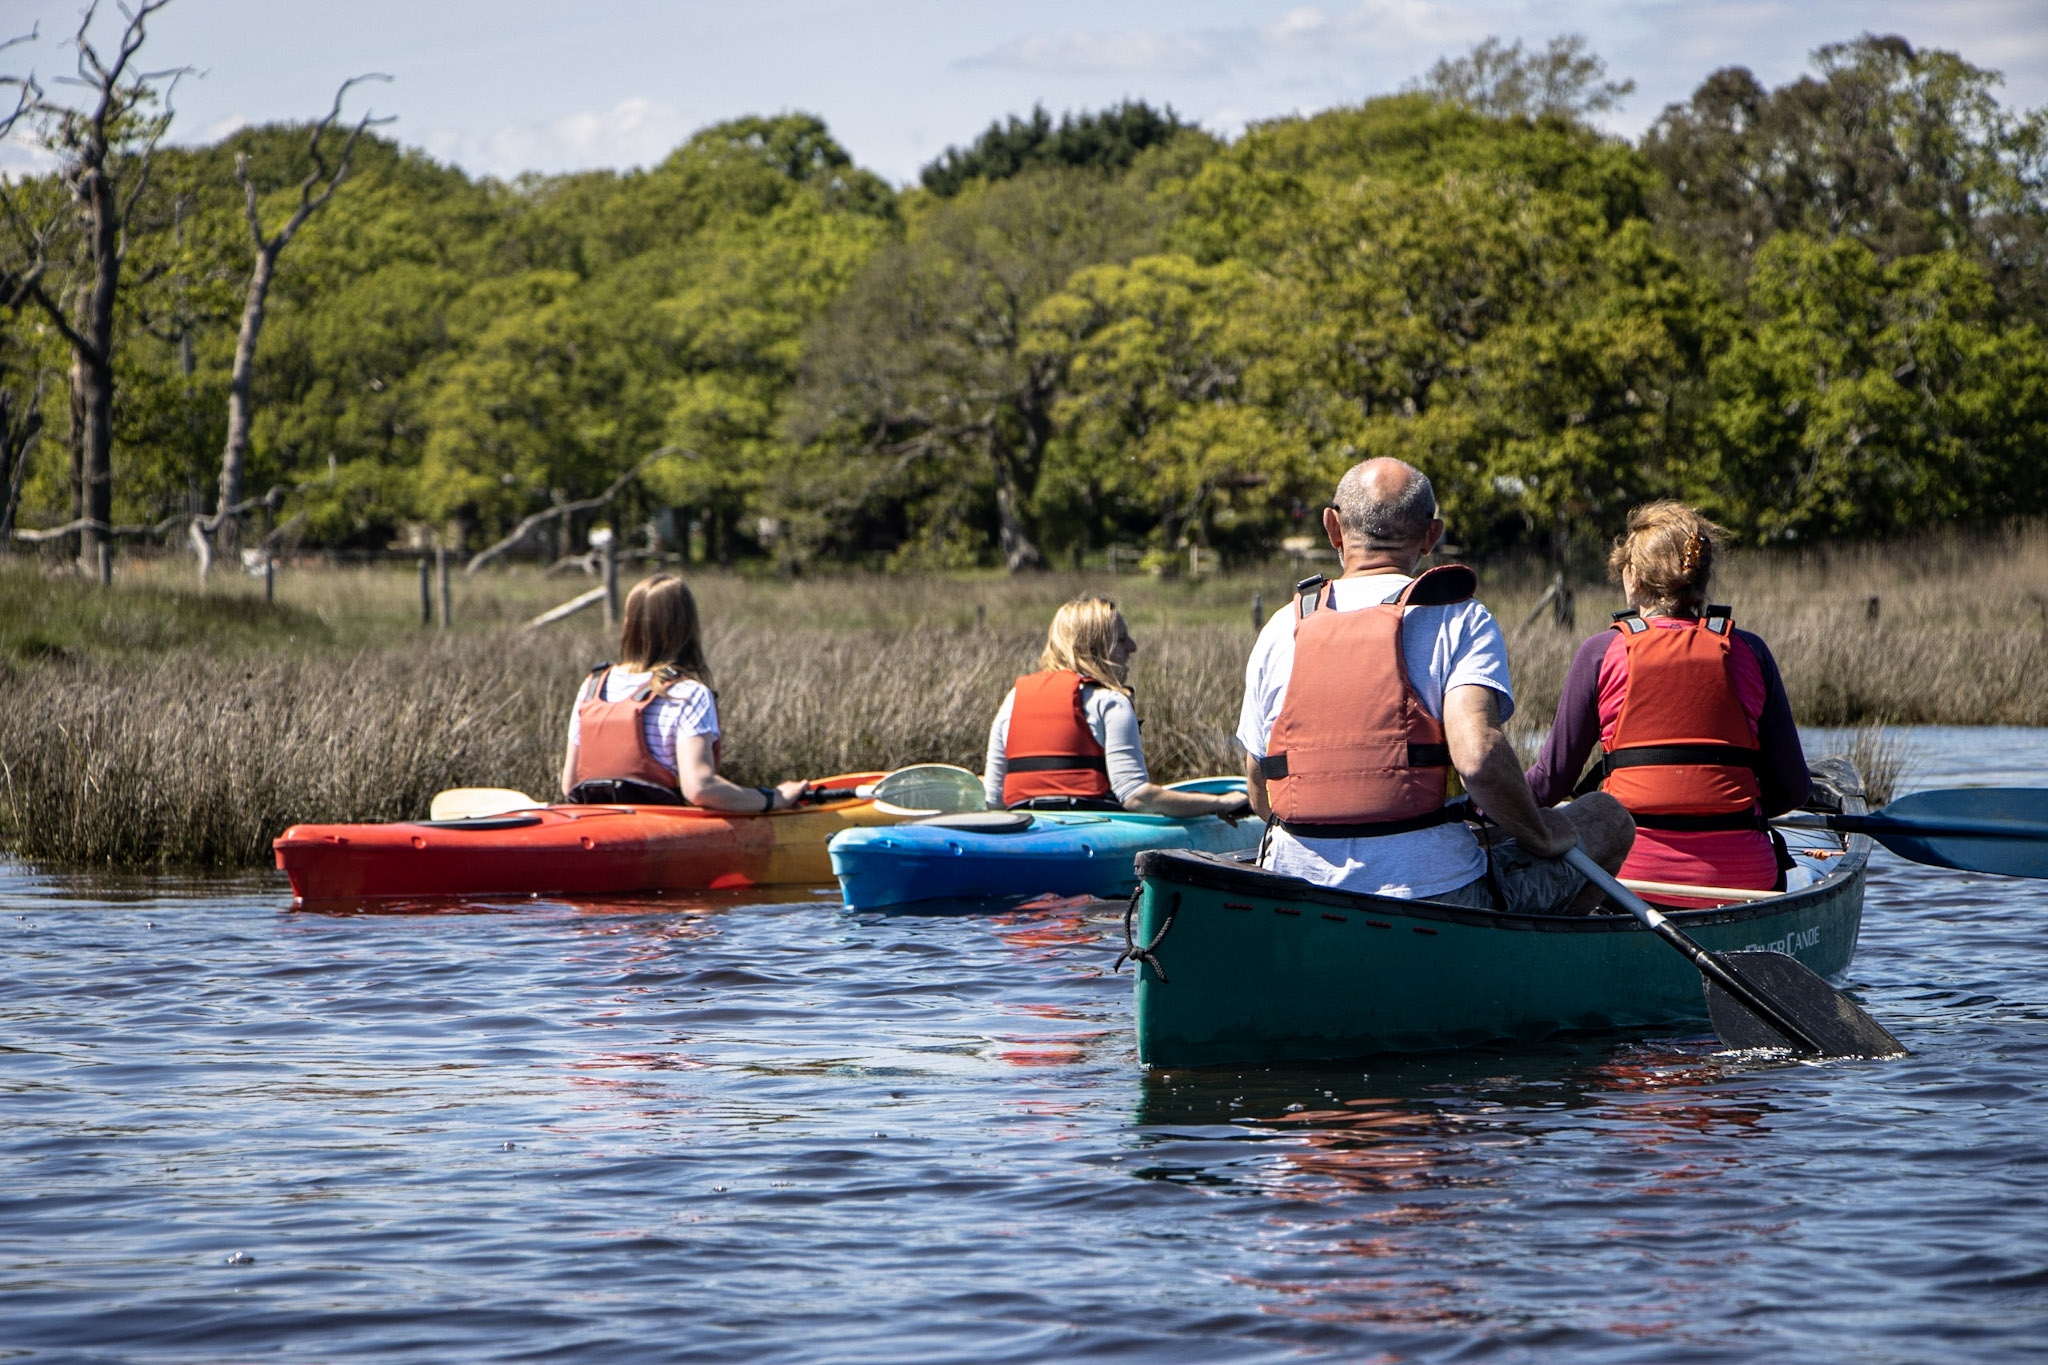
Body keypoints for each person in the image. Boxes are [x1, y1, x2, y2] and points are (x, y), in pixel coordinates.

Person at [1238, 458, 1633, 911]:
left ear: (1333, 528)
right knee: (1606, 817)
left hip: (1298, 895)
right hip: (1437, 897)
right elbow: (1480, 759)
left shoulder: (1282, 626)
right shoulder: (1458, 617)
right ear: (1432, 536)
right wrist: (1542, 835)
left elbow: (1260, 792)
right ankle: (1544, 966)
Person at [1526, 502, 1808, 902]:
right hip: (1745, 884)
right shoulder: (1751, 652)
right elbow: (1794, 790)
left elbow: (1548, 783)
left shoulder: (1601, 653)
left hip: (1629, 887)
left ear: (1634, 577)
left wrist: (1476, 807)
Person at [559, 574, 810, 812]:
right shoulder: (689, 693)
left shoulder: (592, 686)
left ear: (629, 625)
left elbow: (570, 785)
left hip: (592, 824)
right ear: (687, 629)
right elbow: (700, 788)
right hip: (658, 832)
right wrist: (772, 798)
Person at [984, 596, 1251, 819]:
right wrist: (1222, 803)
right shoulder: (1110, 702)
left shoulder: (1014, 698)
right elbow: (1136, 797)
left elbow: (995, 798)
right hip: (1092, 832)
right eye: (1122, 639)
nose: (1132, 647)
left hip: (1026, 826)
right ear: (1096, 648)